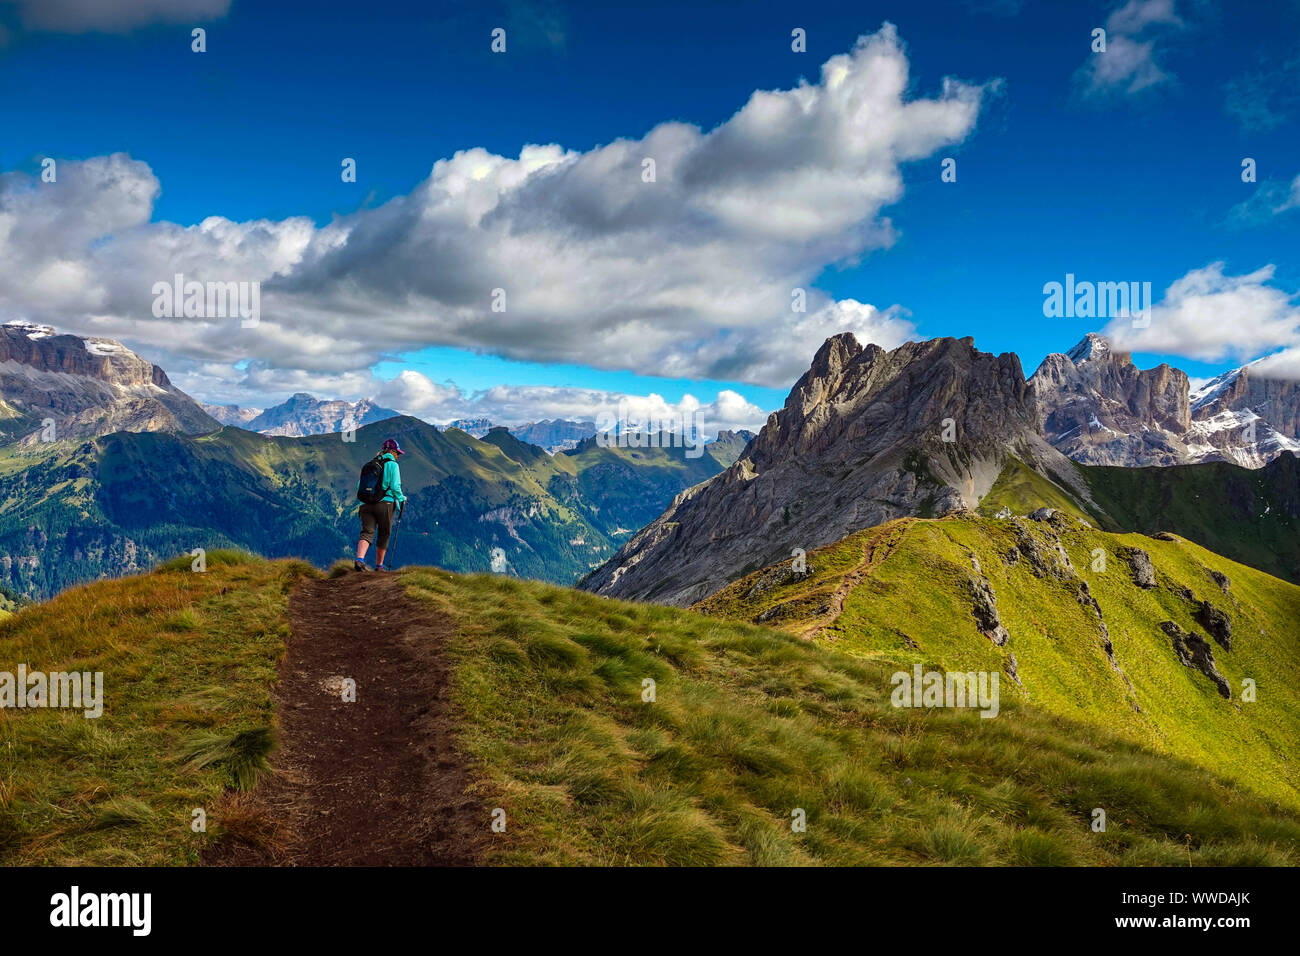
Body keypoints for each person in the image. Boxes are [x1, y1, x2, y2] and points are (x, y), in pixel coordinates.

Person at [355, 438, 407, 571]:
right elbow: (395, 486)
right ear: (392, 451)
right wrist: (401, 498)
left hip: (365, 504)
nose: (398, 456)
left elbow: (358, 487)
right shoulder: (392, 465)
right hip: (385, 504)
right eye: (397, 453)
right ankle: (379, 566)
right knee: (384, 533)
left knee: (367, 532)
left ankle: (359, 560)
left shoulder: (371, 464)